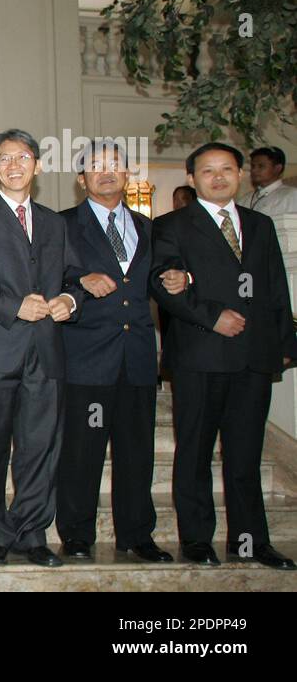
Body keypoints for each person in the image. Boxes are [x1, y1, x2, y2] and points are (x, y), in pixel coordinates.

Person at [150, 142, 297, 570]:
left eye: (227, 169)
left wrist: (286, 344)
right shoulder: (171, 225)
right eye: (208, 171)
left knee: (246, 456)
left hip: (252, 358)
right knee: (193, 452)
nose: (219, 177)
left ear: (240, 175)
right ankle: (197, 540)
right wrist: (212, 318)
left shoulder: (260, 224)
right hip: (200, 355)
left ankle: (250, 542)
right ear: (192, 179)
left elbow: (274, 287)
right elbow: (163, 284)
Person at [0, 128, 83, 567]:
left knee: (40, 446)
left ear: (38, 165)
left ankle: (32, 533)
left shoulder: (55, 221)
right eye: (4, 159)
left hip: (46, 351)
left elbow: (72, 279)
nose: (13, 166)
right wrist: (13, 306)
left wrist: (69, 300)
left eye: (22, 158)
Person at [56, 140, 174, 563]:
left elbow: (156, 281)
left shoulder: (148, 228)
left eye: (115, 166)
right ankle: (76, 535)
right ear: (81, 179)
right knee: (81, 451)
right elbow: (49, 276)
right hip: (86, 358)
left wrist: (179, 278)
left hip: (137, 358)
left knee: (137, 452)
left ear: (128, 175)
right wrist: (79, 282)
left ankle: (137, 535)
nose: (107, 172)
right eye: (96, 167)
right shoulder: (62, 225)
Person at [241, 147, 297, 218]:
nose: (254, 170)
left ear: (277, 168)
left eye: (261, 166)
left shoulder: (290, 195)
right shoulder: (245, 199)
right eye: (253, 166)